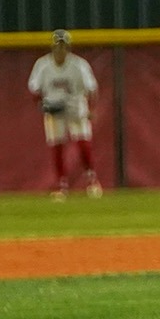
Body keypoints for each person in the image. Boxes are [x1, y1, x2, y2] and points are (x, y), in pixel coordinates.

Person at [27, 28, 102, 200]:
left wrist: (91, 109)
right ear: (52, 47)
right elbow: (33, 88)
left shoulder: (79, 65)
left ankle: (92, 180)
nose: (60, 49)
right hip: (54, 107)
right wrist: (40, 104)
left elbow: (92, 89)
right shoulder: (43, 64)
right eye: (57, 46)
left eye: (63, 46)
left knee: (83, 143)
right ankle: (62, 185)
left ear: (68, 47)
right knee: (57, 146)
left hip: (76, 106)